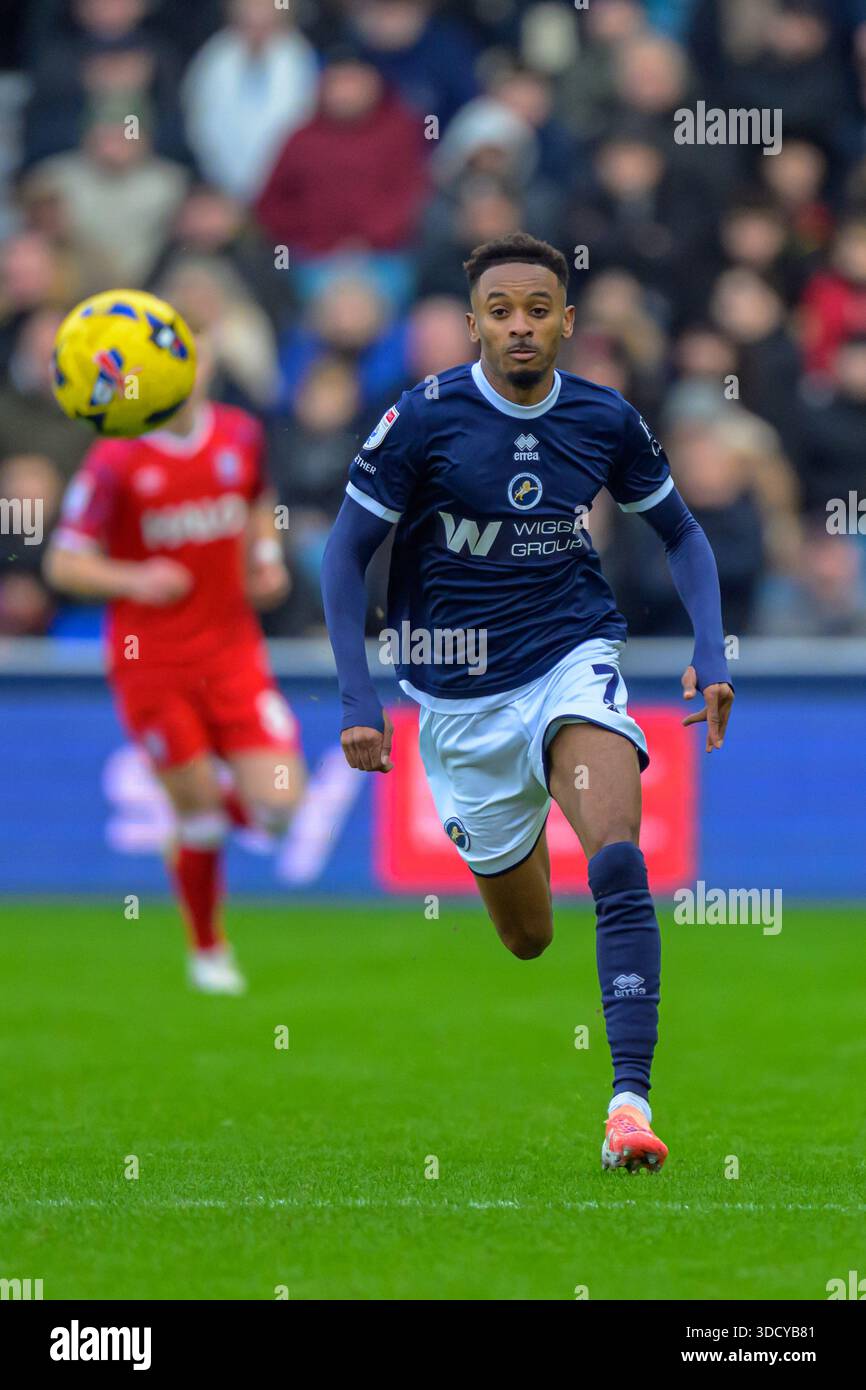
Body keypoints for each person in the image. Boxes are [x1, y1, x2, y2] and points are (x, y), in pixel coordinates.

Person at [321, 232, 734, 1172]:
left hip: (569, 654)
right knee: (528, 937)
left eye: (537, 310)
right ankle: (514, 857)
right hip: (457, 700)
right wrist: (358, 698)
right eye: (500, 312)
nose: (519, 327)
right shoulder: (423, 421)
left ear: (567, 322)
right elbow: (344, 555)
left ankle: (628, 1103)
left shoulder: (605, 419)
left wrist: (711, 653)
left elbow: (684, 535)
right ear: (473, 325)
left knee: (619, 862)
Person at [44, 336, 305, 994]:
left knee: (280, 805)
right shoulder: (116, 459)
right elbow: (63, 562)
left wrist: (266, 556)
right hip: (151, 664)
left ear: (208, 365)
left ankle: (213, 809)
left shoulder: (240, 434)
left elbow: (257, 504)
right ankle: (207, 949)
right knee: (201, 818)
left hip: (232, 651)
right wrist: (134, 577)